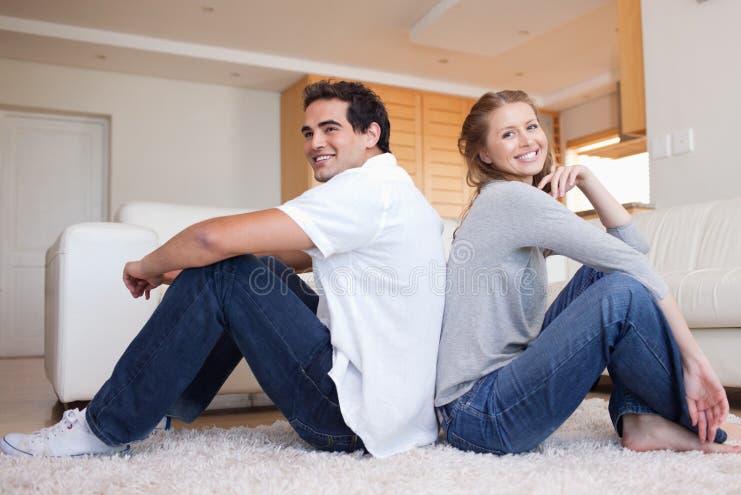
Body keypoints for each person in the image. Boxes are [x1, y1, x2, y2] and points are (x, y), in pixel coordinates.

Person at [2, 80, 446, 459]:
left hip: (348, 420)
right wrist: (194, 283)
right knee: (256, 271)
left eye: (331, 129)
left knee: (226, 270)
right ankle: (156, 409)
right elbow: (288, 258)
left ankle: (104, 428)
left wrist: (148, 266)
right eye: (308, 132)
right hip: (394, 417)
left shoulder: (363, 190)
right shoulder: (396, 190)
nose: (315, 144)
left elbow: (209, 240)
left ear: (370, 134)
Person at [434, 90, 741, 455]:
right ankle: (703, 422)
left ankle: (641, 420)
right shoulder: (510, 199)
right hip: (480, 415)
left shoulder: (512, 199)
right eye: (508, 134)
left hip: (490, 398)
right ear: (484, 153)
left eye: (531, 126)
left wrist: (588, 180)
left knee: (604, 275)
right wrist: (695, 361)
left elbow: (632, 249)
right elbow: (634, 265)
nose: (527, 140)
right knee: (621, 293)